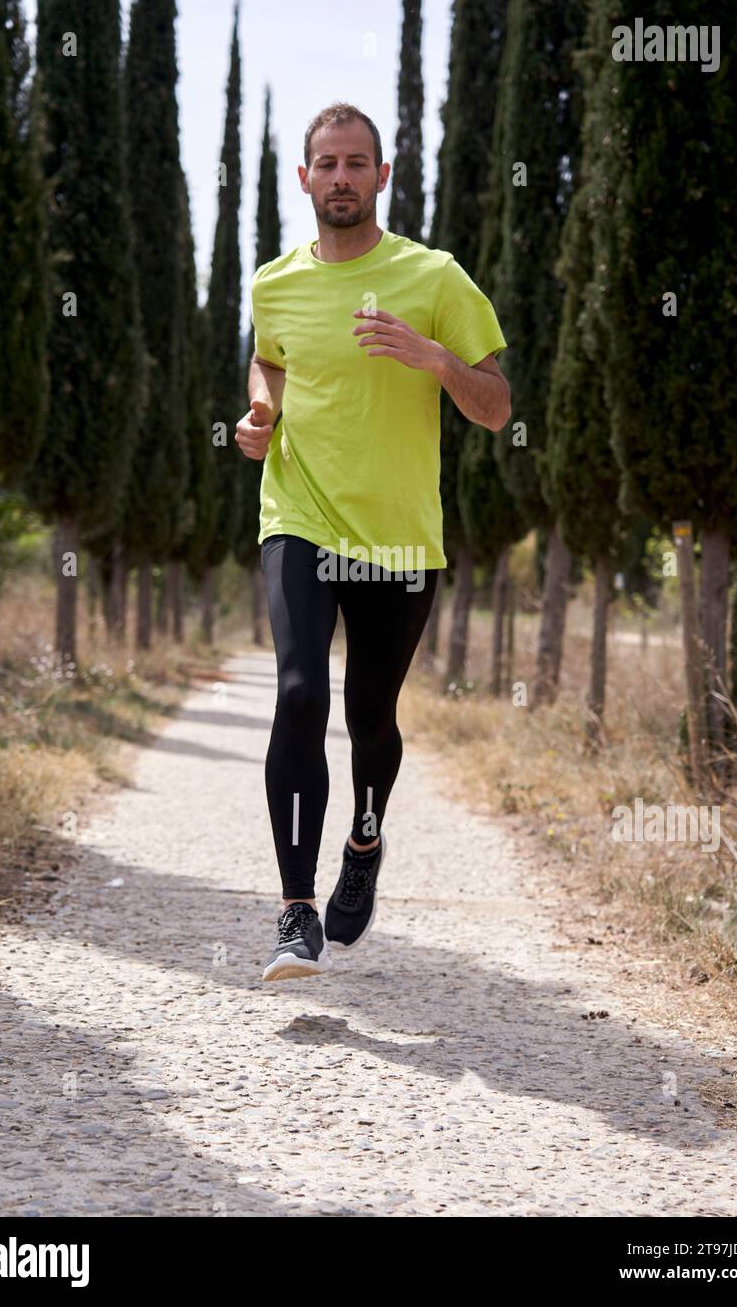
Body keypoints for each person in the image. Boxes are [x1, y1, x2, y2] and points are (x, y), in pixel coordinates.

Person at [234, 102, 509, 981]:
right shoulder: (273, 282)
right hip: (300, 516)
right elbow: (269, 355)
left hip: (397, 537)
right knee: (301, 688)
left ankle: (365, 838)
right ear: (306, 177)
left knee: (371, 715)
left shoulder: (435, 278)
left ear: (382, 177)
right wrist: (262, 409)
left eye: (359, 163)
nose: (342, 178)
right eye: (328, 163)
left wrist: (435, 360)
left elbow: (496, 407)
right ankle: (294, 912)